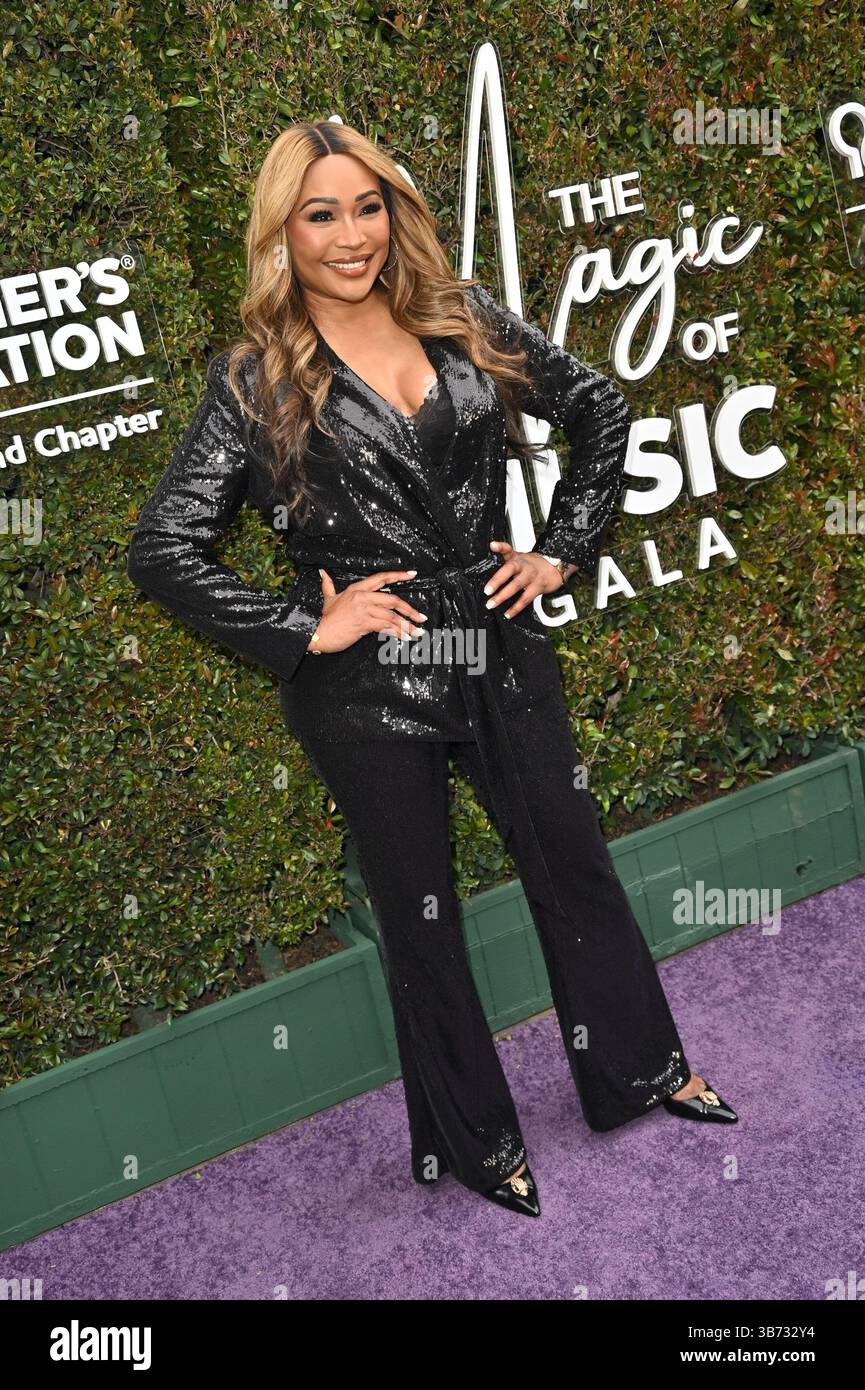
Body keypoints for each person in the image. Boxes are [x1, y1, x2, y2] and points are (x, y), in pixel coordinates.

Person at [126, 120, 738, 1220]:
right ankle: (478, 1143)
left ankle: (643, 1068)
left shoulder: (460, 315)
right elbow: (163, 546)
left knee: (573, 865)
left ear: (394, 211)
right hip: (369, 682)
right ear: (282, 232)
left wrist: (559, 548)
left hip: (494, 637)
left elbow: (599, 408)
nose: (350, 235)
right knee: (421, 920)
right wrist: (302, 628)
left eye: (367, 207)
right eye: (320, 214)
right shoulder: (254, 378)